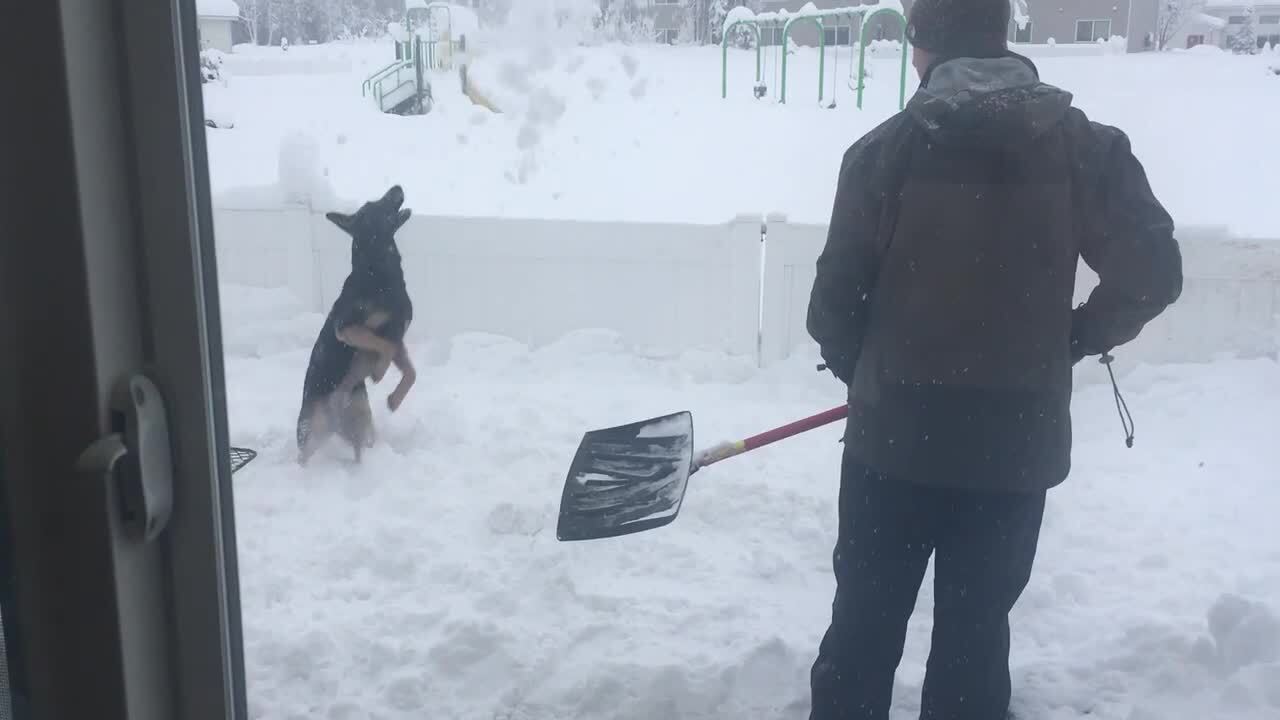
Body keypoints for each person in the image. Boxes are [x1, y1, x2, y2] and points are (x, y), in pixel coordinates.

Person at [804, 0, 1184, 717]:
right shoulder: (1083, 149)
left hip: (893, 453)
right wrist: (1074, 336)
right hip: (1010, 457)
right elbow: (1152, 270)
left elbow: (831, 310)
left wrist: (876, 371)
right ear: (1002, 34)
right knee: (974, 644)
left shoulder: (882, 155)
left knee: (862, 635)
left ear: (921, 45)